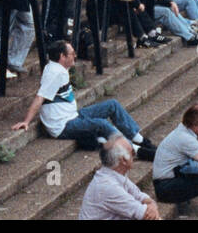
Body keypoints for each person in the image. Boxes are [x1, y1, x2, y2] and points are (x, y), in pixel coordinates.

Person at [13, 40, 157, 155]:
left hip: (73, 116)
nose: (75, 56)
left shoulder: (58, 68)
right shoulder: (55, 73)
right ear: (62, 57)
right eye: (72, 54)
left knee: (112, 105)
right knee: (101, 124)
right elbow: (39, 97)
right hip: (63, 126)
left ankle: (140, 140)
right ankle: (133, 149)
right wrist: (26, 121)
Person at [78, 138, 161, 220]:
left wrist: (151, 205)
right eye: (132, 152)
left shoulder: (112, 174)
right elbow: (143, 214)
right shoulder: (108, 186)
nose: (134, 155)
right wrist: (151, 208)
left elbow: (139, 195)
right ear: (124, 160)